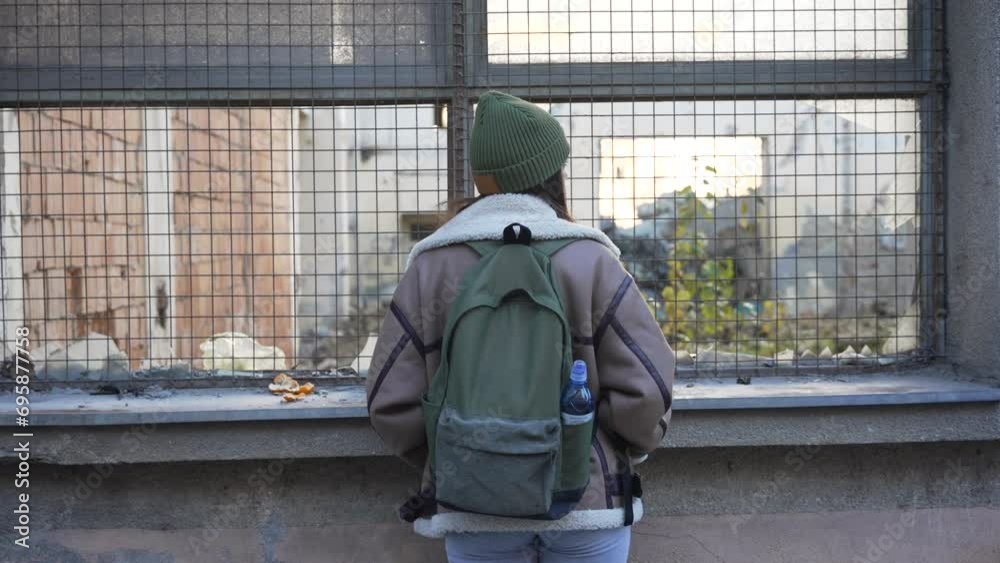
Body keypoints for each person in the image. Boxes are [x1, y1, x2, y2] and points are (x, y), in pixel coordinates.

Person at [366, 91, 674, 563]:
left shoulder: (430, 268)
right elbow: (647, 390)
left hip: (473, 509)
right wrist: (604, 450)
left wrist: (460, 456)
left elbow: (391, 401)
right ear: (552, 173)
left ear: (481, 178)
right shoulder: (591, 260)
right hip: (584, 507)